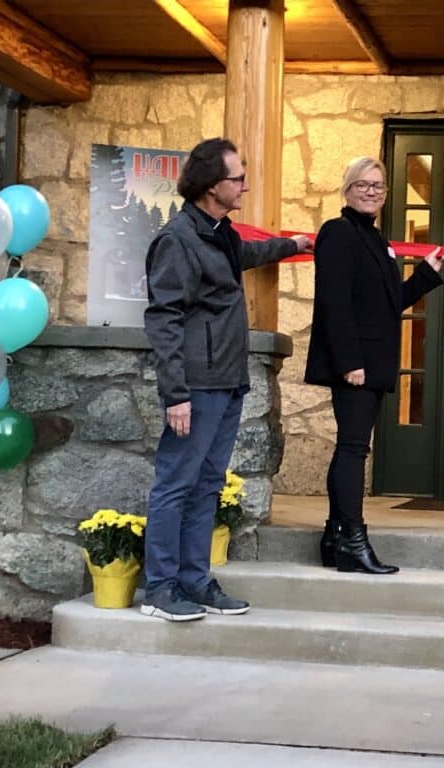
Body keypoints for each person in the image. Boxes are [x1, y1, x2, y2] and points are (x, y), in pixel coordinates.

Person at [142, 137, 312, 621]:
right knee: (176, 484)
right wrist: (175, 394)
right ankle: (160, 589)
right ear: (211, 186)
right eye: (237, 177)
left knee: (208, 484)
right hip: (195, 387)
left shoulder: (220, 234)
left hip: (227, 381)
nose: (245, 185)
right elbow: (164, 319)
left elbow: (249, 255)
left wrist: (294, 244)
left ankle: (195, 583)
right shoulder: (177, 240)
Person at [305, 156, 444, 574]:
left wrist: (424, 275)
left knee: (352, 448)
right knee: (352, 450)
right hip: (355, 364)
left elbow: (388, 304)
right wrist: (350, 362)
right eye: (363, 184)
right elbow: (335, 302)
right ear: (347, 189)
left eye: (379, 186)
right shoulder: (337, 232)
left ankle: (335, 537)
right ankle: (353, 540)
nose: (372, 191)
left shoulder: (376, 239)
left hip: (373, 362)